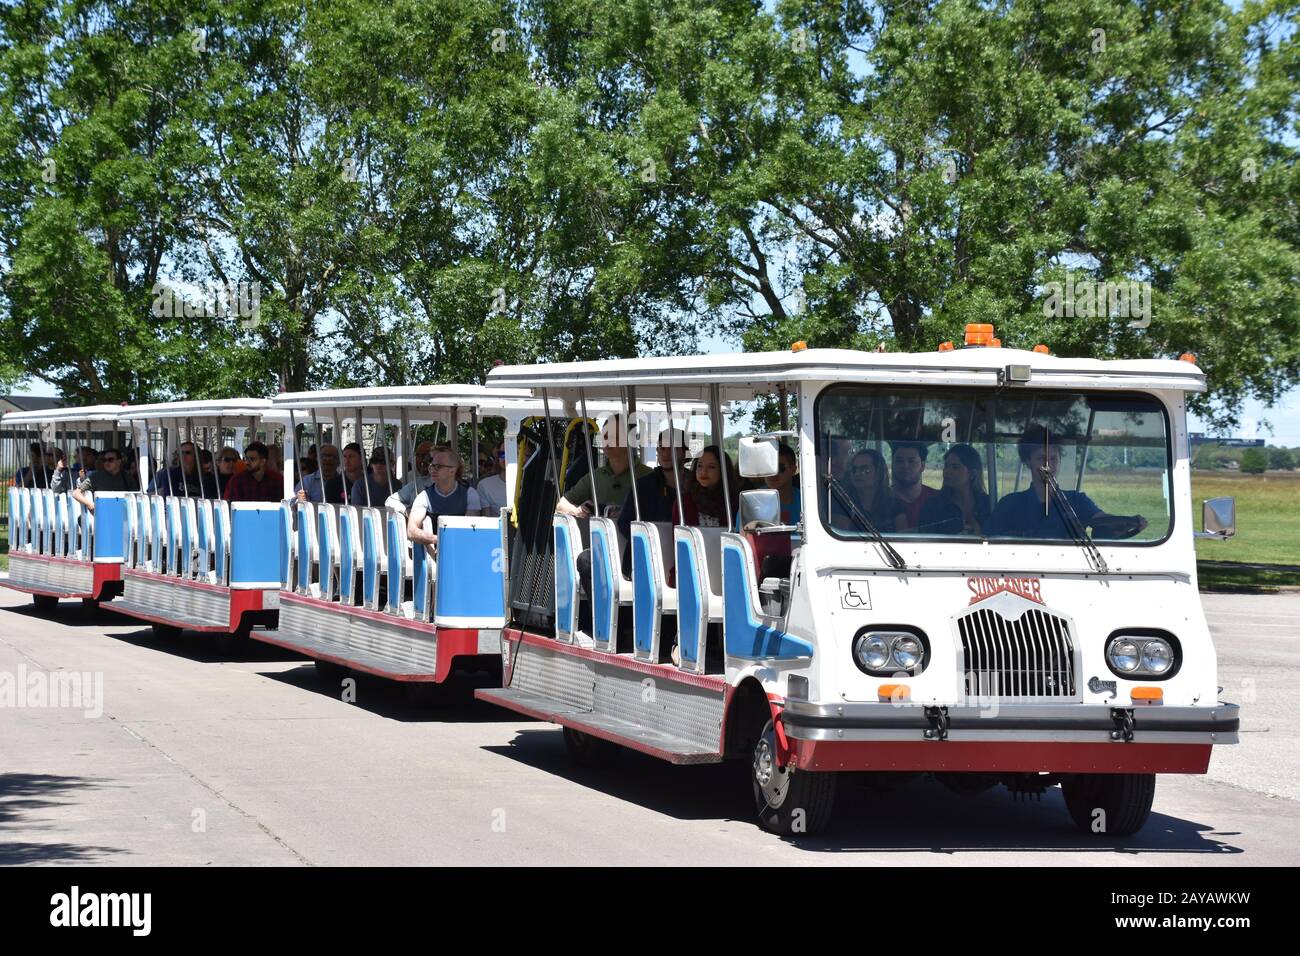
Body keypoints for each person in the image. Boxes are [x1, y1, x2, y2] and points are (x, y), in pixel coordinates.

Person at [986, 426, 1148, 539]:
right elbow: (991, 543)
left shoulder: (1077, 501)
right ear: (1027, 462)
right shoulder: (1010, 504)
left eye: (1053, 458)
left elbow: (1101, 519)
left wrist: (1125, 522)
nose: (1048, 464)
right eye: (1041, 458)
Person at [616, 428, 692, 568]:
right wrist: (651, 541)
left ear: (684, 452)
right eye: (661, 448)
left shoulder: (696, 485)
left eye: (672, 449)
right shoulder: (642, 486)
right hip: (647, 560)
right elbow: (625, 523)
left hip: (688, 557)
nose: (665, 454)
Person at [557, 414, 649, 520]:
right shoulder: (595, 477)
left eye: (614, 436)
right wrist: (579, 511)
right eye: (605, 436)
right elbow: (561, 505)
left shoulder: (648, 476)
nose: (607, 441)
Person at [407, 447, 484, 550]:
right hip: (433, 557)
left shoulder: (470, 494)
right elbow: (411, 531)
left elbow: (470, 529)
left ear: (452, 470)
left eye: (438, 466)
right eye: (431, 466)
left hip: (463, 549)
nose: (432, 470)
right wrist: (438, 539)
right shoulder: (424, 497)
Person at [916, 443, 992, 535]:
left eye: (955, 467)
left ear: (972, 474)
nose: (947, 471)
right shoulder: (933, 507)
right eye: (946, 466)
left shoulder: (987, 504)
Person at [831, 448, 903, 531]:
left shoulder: (895, 504)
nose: (857, 473)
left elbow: (903, 537)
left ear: (879, 473)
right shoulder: (841, 502)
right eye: (854, 469)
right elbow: (842, 535)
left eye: (865, 469)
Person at [673, 445, 739, 529]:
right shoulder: (683, 502)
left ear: (723, 470)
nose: (703, 472)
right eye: (700, 466)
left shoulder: (733, 502)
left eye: (711, 467)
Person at [890, 440, 940, 530]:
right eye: (899, 461)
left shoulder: (938, 499)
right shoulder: (882, 499)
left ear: (923, 466)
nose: (905, 465)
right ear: (893, 464)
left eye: (911, 461)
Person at [71, 448, 129, 512]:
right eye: (104, 460)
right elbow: (76, 493)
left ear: (119, 461)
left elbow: (134, 496)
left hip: (123, 513)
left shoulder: (127, 477)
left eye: (110, 460)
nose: (107, 462)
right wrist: (90, 505)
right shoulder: (96, 476)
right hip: (102, 514)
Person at [152, 441, 218, 498]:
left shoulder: (204, 475)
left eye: (188, 453)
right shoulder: (170, 474)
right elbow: (172, 496)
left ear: (196, 455)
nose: (183, 455)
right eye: (181, 452)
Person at [383, 440, 434, 512]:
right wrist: (408, 510)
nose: (422, 460)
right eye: (418, 455)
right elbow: (390, 501)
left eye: (427, 456)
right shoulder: (414, 481)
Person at [765, 442, 801, 525]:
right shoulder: (752, 503)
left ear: (793, 470)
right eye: (767, 467)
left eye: (779, 467)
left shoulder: (806, 503)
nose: (773, 473)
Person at [476, 441, 512, 516]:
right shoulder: (485, 485)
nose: (506, 457)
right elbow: (487, 521)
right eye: (502, 454)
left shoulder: (535, 484)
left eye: (513, 453)